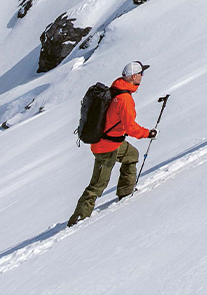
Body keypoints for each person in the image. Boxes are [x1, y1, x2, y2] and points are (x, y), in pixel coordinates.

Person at [67, 61, 156, 226]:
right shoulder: (124, 99)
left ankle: (125, 193)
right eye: (141, 74)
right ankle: (78, 219)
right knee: (98, 185)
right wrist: (147, 133)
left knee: (132, 155)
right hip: (105, 147)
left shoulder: (116, 89)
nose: (143, 77)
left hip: (112, 143)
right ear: (134, 77)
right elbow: (130, 127)